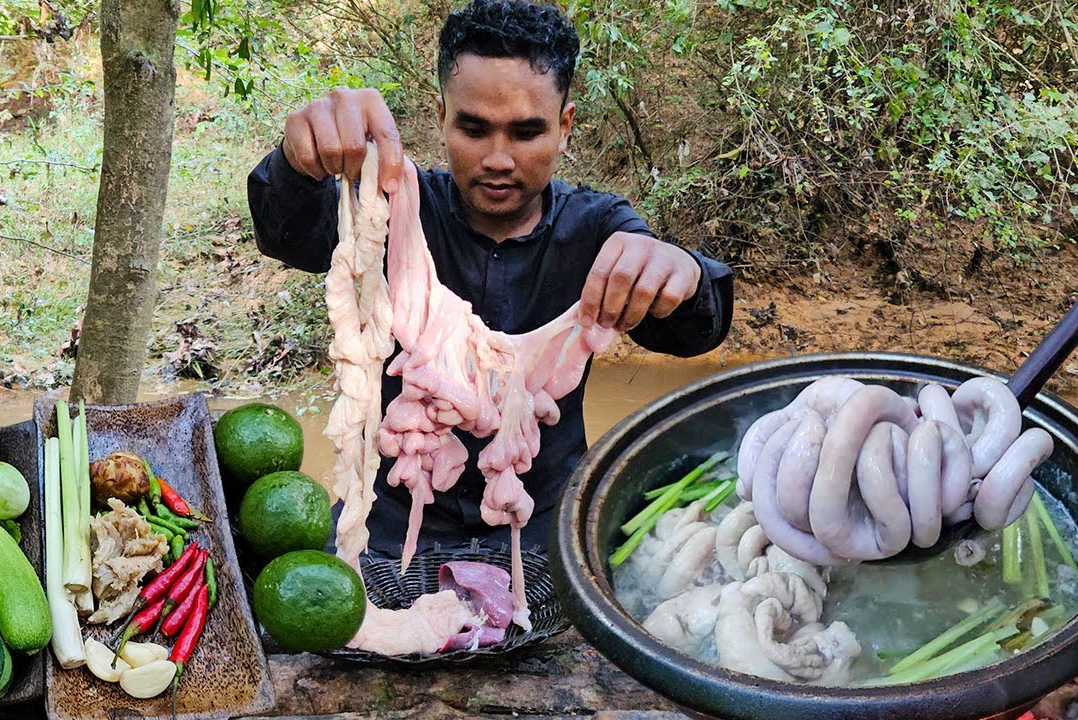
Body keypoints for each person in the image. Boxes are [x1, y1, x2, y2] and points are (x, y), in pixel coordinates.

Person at [247, 0, 734, 556]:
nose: (498, 159)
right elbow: (285, 232)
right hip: (389, 524)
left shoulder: (597, 228)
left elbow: (695, 330)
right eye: (474, 129)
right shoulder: (394, 211)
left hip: (544, 527)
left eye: (526, 132)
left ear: (564, 127)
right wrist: (296, 160)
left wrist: (685, 273)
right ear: (441, 118)